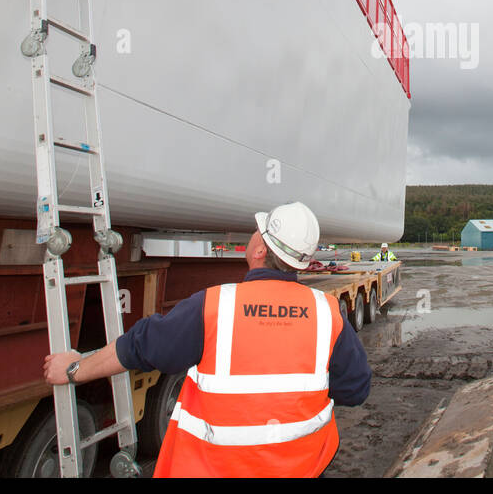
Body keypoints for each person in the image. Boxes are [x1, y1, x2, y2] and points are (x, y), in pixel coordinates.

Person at [43, 201, 370, 477]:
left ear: (259, 250)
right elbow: (355, 389)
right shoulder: (327, 313)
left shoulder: (215, 306)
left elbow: (139, 348)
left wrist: (74, 369)